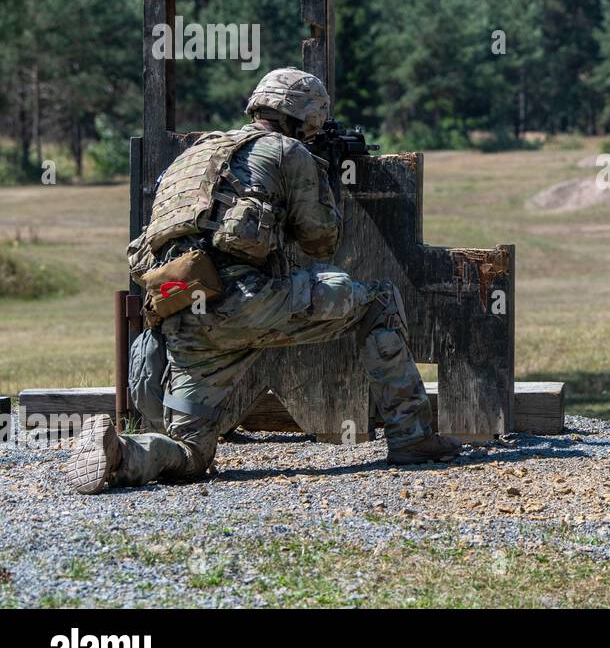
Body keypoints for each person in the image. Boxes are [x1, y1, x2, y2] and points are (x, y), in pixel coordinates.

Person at [69, 68, 459, 495]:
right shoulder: (288, 151)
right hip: (245, 302)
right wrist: (324, 179)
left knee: (191, 452)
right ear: (307, 117)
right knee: (378, 300)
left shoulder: (194, 155)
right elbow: (320, 239)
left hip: (183, 312)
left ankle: (121, 453)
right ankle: (412, 437)